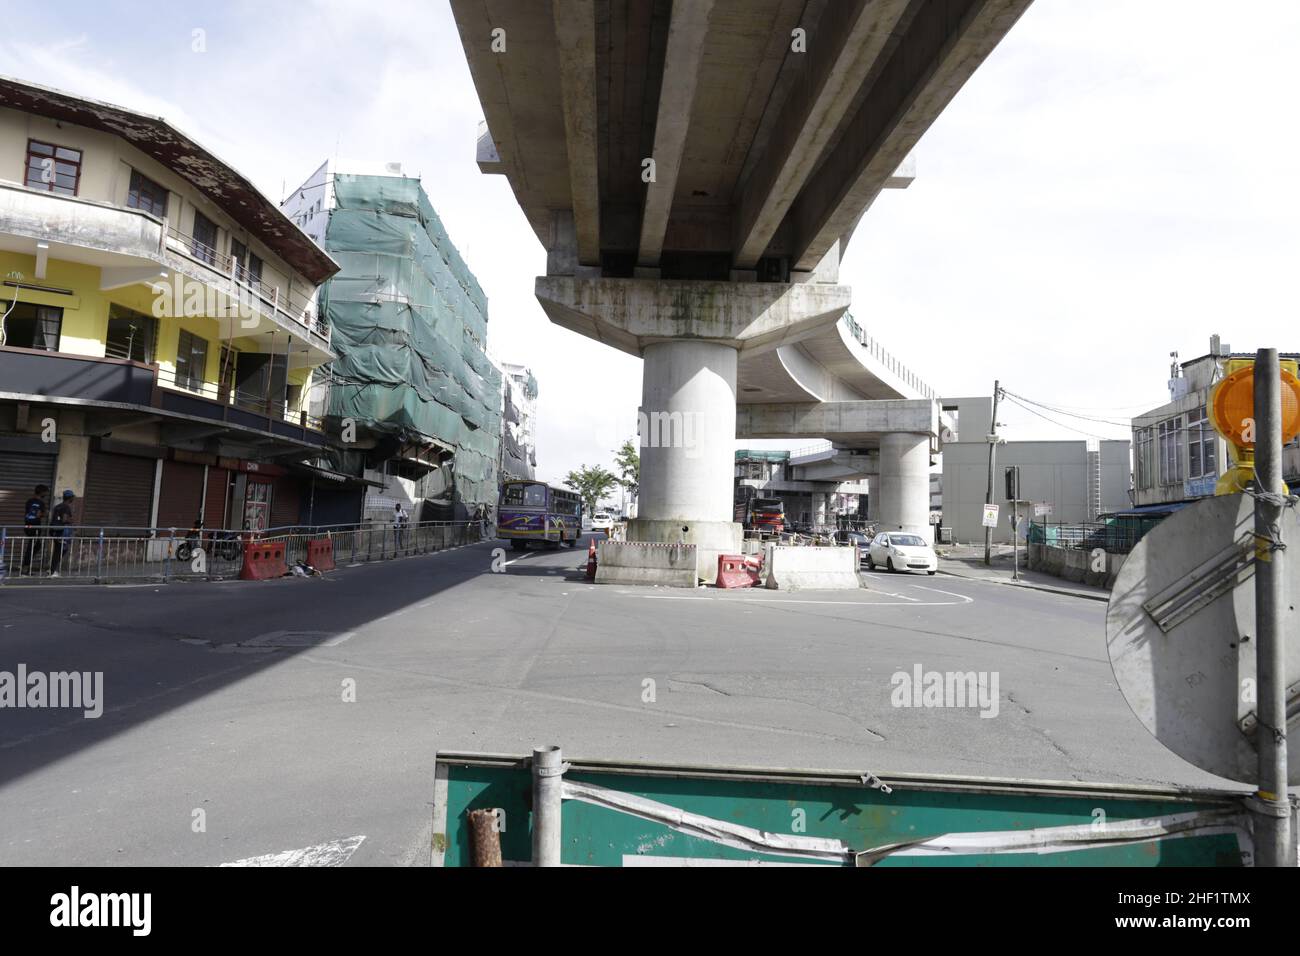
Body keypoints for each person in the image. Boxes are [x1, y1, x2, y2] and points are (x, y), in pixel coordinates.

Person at [20, 484, 49, 575]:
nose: (46, 494)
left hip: (28, 526)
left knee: (34, 546)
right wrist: (46, 513)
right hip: (35, 527)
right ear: (41, 492)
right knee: (32, 547)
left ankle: (26, 568)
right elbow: (38, 515)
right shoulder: (40, 503)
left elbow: (28, 513)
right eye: (46, 492)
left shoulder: (29, 501)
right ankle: (25, 569)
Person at [48, 489, 76, 578]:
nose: (73, 499)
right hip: (61, 532)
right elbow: (64, 520)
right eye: (73, 497)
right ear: (70, 498)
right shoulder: (66, 507)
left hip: (54, 531)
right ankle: (52, 571)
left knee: (58, 550)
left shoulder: (58, 506)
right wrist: (71, 520)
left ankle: (52, 569)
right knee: (61, 550)